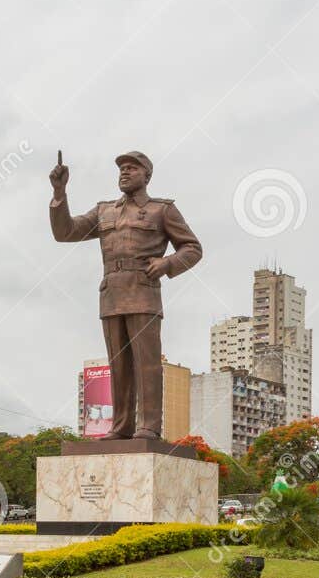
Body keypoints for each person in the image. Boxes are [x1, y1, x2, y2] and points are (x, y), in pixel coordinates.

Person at [48, 150, 203, 440]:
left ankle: (148, 426)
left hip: (143, 292)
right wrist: (59, 192)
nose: (125, 172)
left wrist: (167, 263)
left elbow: (193, 248)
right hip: (111, 295)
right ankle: (121, 427)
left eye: (132, 168)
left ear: (147, 175)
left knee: (147, 364)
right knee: (117, 365)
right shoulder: (104, 211)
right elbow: (65, 231)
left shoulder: (162, 210)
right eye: (122, 168)